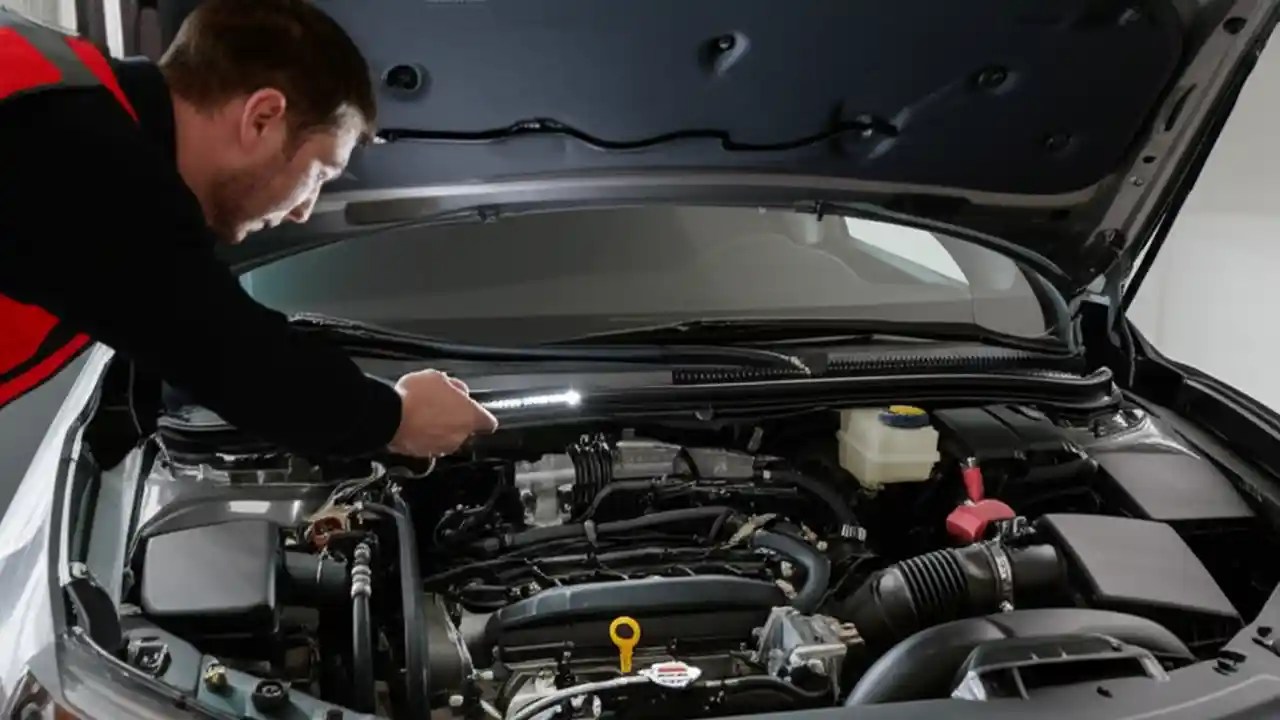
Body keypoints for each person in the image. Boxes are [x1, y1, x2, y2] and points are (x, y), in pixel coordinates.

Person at [0, 0, 497, 458]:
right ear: (262, 117)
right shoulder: (82, 154)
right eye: (319, 173)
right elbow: (227, 350)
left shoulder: (62, 90)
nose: (304, 211)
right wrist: (395, 417)